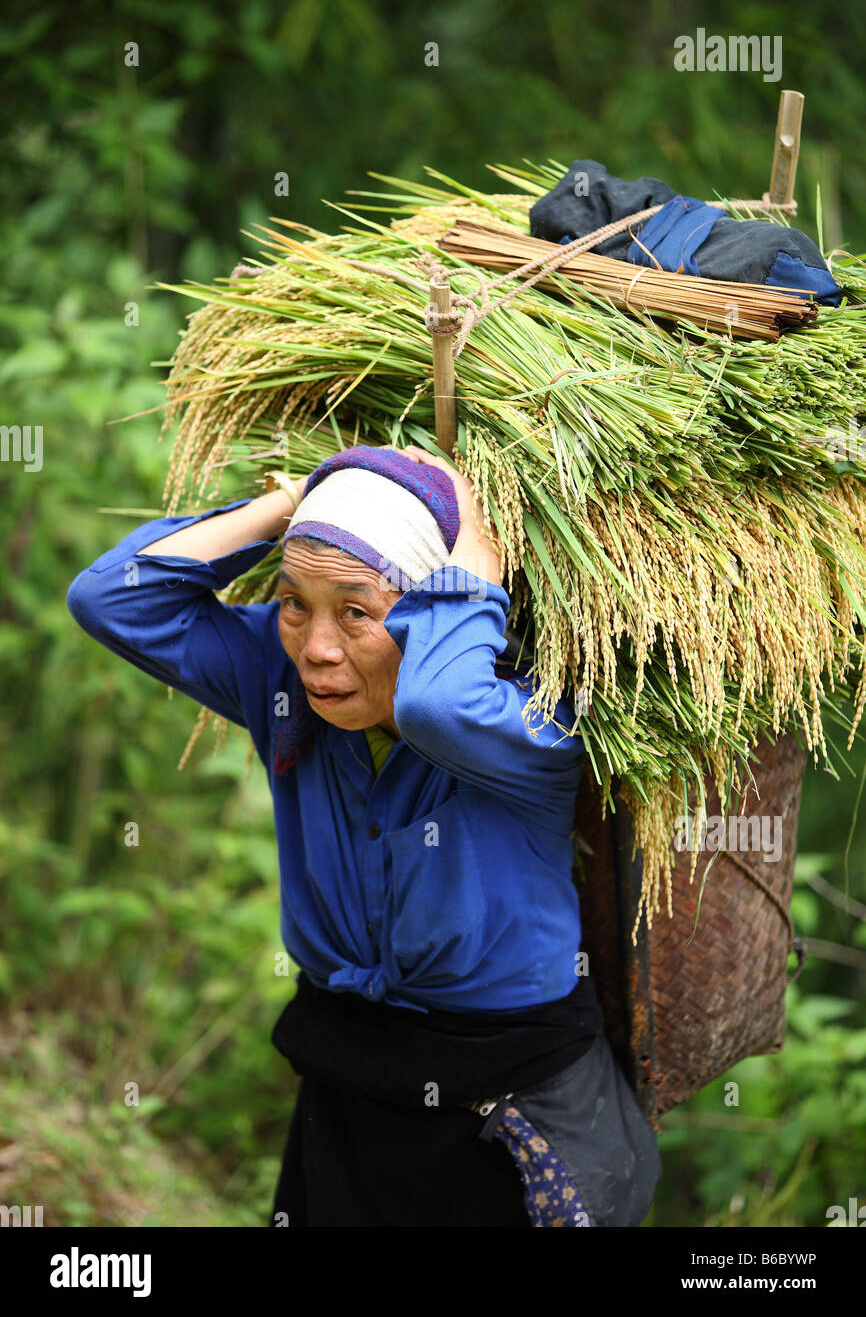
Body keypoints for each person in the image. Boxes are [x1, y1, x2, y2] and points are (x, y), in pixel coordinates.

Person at [66, 442, 660, 1227]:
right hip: (351, 1078)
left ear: (433, 604)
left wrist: (473, 556)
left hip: (507, 1104)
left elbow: (434, 708)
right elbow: (110, 598)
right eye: (293, 604)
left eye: (356, 611)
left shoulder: (520, 719)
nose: (317, 649)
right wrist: (296, 503)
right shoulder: (280, 685)